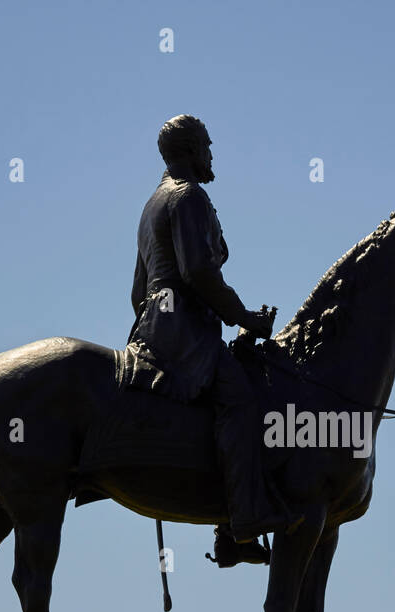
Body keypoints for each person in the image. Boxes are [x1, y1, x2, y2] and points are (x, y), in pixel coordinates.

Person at [119, 114, 297, 563]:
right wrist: (245, 319)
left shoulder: (151, 204)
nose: (212, 154)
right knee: (240, 399)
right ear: (190, 150)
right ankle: (243, 522)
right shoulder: (189, 197)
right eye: (207, 146)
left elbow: (138, 292)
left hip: (156, 325)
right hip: (184, 328)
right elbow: (198, 272)